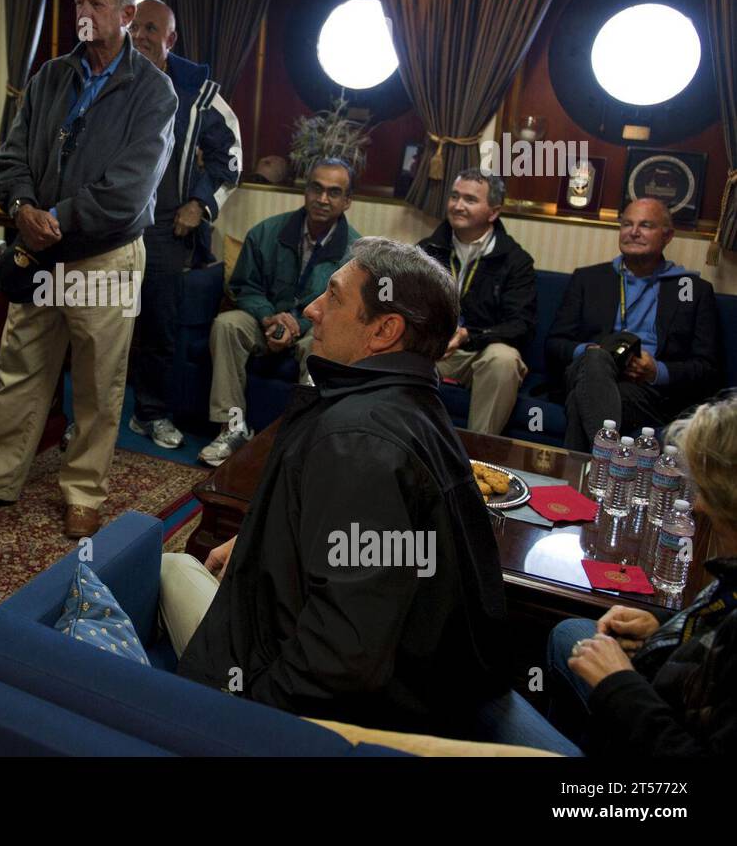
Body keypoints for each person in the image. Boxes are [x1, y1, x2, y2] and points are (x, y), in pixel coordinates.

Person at [168, 238, 513, 738]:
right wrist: (258, 542)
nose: (311, 309)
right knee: (179, 566)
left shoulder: (358, 441)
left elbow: (342, 656)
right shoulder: (411, 404)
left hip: (301, 704)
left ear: (383, 330)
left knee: (168, 567)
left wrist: (247, 725)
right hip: (405, 677)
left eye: (332, 296)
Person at [0, 0, 177, 538]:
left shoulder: (153, 91)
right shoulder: (48, 77)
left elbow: (128, 191)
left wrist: (55, 219)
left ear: (127, 14)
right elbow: (12, 157)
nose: (83, 14)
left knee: (96, 381)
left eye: (95, 4)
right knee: (19, 370)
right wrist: (20, 209)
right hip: (39, 253)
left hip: (105, 257)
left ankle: (84, 492)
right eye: (78, 5)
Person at [545, 392, 737, 756]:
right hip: (672, 688)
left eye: (707, 491)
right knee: (569, 634)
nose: (697, 505)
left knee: (481, 701)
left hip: (660, 728)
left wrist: (617, 683)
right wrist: (664, 625)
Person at [126, 0, 242, 449]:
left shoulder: (198, 91)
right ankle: (91, 418)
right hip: (109, 224)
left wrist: (199, 204)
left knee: (159, 324)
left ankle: (150, 413)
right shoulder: (103, 79)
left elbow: (229, 156)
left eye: (151, 29)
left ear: (170, 39)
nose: (140, 37)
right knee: (101, 324)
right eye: (133, 27)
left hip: (165, 226)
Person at [198, 158, 360, 466]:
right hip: (265, 319)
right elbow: (244, 287)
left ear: (347, 201)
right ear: (305, 191)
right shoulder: (265, 232)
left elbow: (344, 309)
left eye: (334, 192)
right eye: (316, 188)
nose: (323, 199)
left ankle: (301, 440)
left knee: (321, 346)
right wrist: (269, 317)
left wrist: (296, 325)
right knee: (227, 325)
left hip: (313, 329)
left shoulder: (356, 252)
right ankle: (231, 428)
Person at [547, 197, 723, 451]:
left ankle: (583, 479)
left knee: (580, 399)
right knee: (596, 361)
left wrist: (656, 371)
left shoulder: (693, 290)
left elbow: (708, 370)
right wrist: (587, 352)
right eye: (627, 224)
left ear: (667, 236)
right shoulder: (589, 278)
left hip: (646, 390)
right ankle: (609, 466)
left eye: (646, 225)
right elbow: (554, 344)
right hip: (584, 369)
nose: (634, 232)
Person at [417, 168, 536, 434]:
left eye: (470, 200)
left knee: (504, 359)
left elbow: (521, 325)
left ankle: (478, 459)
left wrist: (468, 336)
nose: (458, 206)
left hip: (479, 353)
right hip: (435, 349)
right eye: (454, 196)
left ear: (493, 212)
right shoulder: (428, 249)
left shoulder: (515, 260)